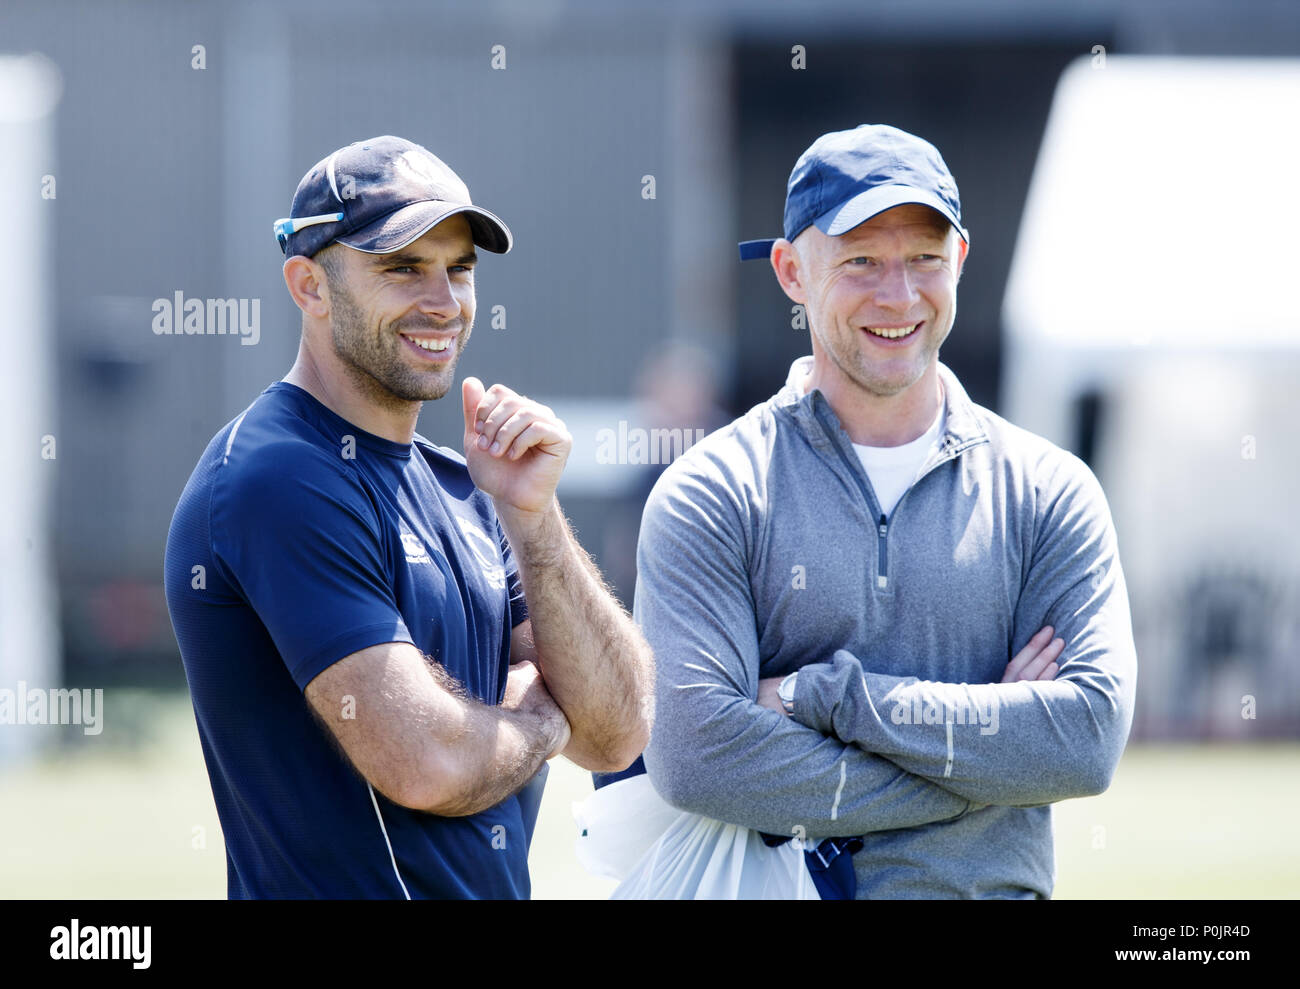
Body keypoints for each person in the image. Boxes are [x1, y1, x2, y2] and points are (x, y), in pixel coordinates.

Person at [634, 123, 1136, 898]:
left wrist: (820, 696)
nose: (898, 295)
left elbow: (1085, 742)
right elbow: (698, 756)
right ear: (791, 271)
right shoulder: (714, 490)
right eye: (861, 259)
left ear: (960, 261)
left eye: (925, 259)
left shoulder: (1048, 491)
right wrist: (989, 766)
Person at [164, 135, 653, 899]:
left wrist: (535, 517)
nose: (443, 301)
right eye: (402, 267)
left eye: (459, 268)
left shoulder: (467, 486)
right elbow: (427, 762)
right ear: (309, 285)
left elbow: (619, 727)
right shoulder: (276, 474)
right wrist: (544, 720)